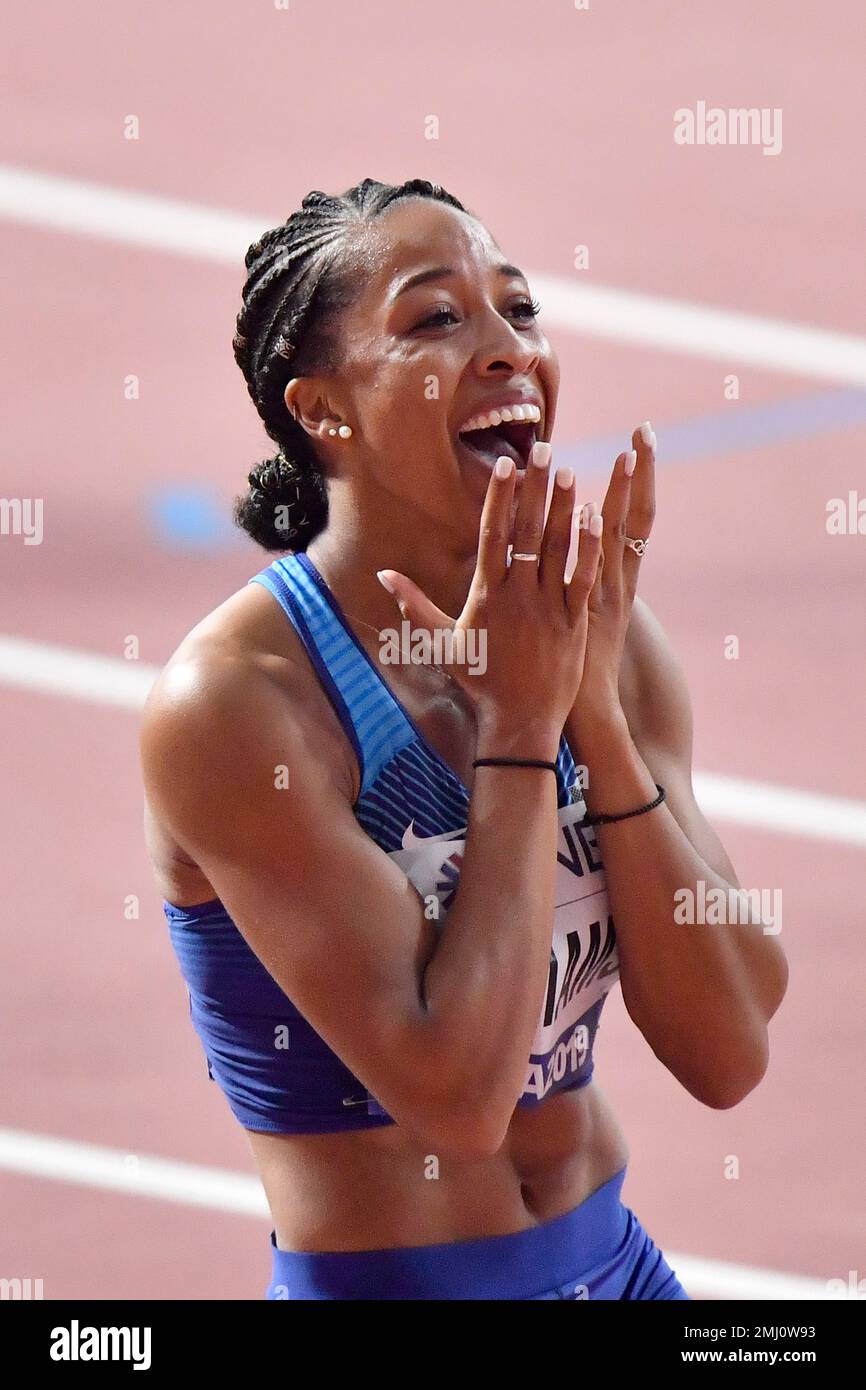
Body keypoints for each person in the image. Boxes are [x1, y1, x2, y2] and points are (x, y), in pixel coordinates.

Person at [140, 177, 788, 1300]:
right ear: (321, 410)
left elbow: (729, 1049)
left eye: (518, 310)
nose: (507, 352)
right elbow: (458, 1098)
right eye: (435, 318)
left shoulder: (603, 640)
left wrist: (593, 714)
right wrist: (523, 733)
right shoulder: (241, 705)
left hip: (619, 1270)